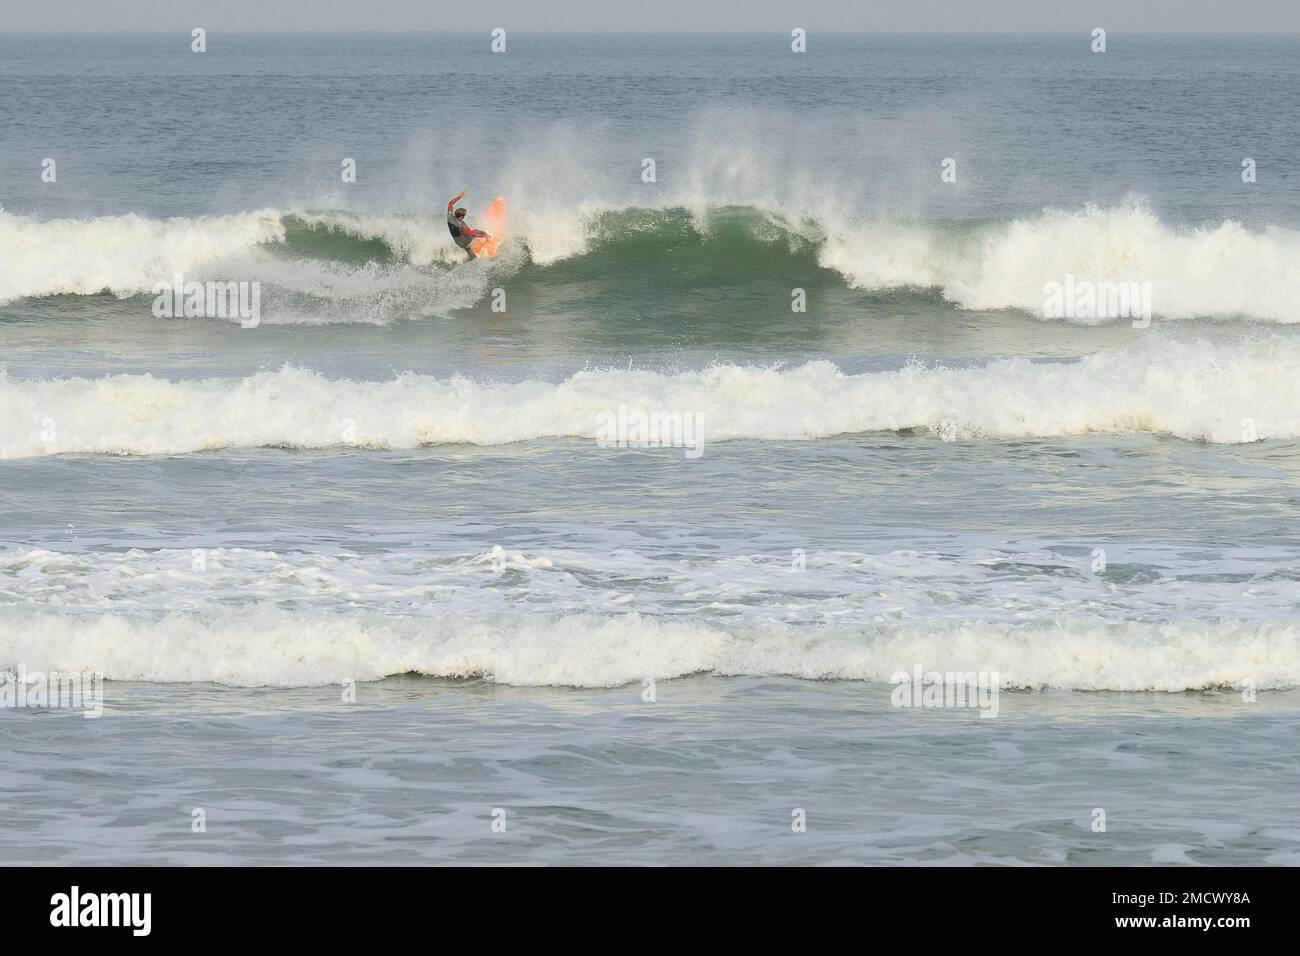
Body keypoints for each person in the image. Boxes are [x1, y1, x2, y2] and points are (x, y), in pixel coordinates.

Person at [446, 191, 491, 261]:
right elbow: (471, 233)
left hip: (457, 242)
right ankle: (488, 238)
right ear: (461, 216)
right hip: (464, 242)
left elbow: (450, 204)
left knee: (466, 245)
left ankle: (473, 258)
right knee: (476, 231)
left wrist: (460, 196)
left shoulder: (450, 217)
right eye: (464, 215)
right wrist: (483, 236)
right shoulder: (462, 225)